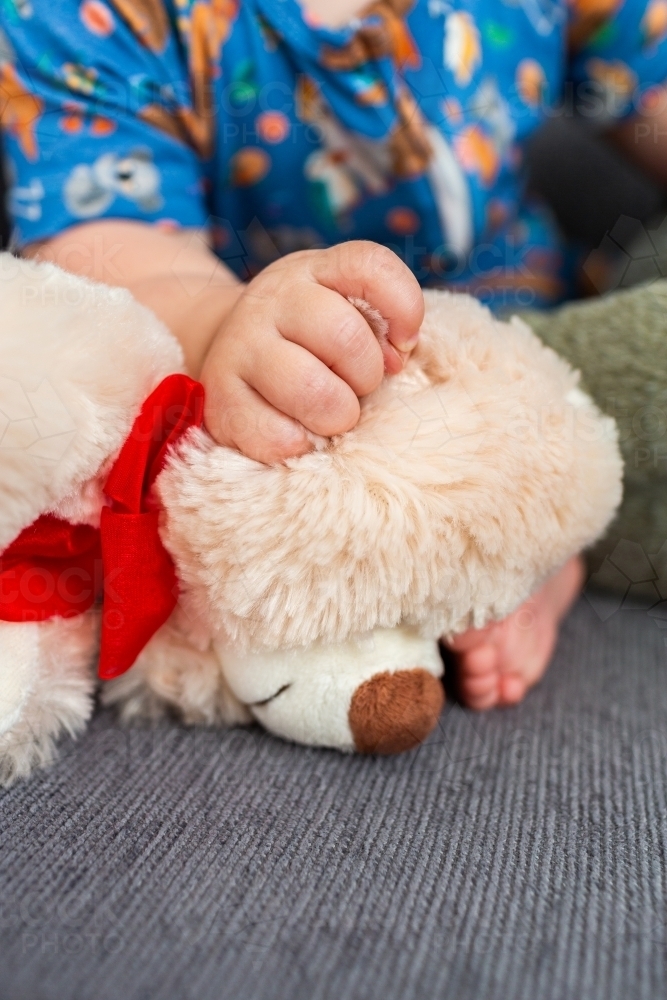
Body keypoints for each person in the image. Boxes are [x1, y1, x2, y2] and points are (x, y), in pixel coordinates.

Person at [1, 0, 666, 710]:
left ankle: (541, 499)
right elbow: (103, 251)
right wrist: (224, 323)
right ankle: (509, 529)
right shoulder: (88, 18)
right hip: (291, 405)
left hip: (532, 339)